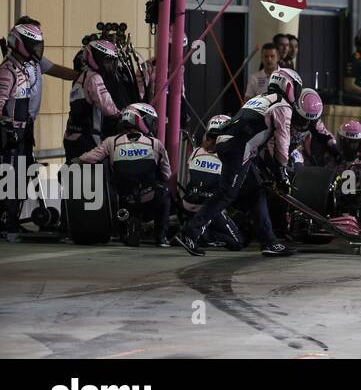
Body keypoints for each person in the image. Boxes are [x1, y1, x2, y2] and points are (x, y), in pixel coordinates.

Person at [176, 68, 305, 257]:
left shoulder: (260, 98)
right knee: (225, 195)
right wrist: (282, 173)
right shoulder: (281, 105)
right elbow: (282, 142)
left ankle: (269, 242)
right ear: (289, 86)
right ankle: (190, 233)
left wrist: (278, 172)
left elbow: (266, 137)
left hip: (230, 144)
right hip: (238, 148)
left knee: (256, 191)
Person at [2, 20, 75, 241]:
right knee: (10, 178)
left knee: (22, 177)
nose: (37, 49)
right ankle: (9, 222)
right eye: (33, 44)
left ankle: (12, 220)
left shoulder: (28, 65)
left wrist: (84, 76)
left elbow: (57, 70)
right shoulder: (9, 70)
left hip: (26, 127)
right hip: (11, 131)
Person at [76, 102, 171, 246]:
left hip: (121, 199)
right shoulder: (155, 144)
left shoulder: (111, 142)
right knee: (164, 192)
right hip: (148, 197)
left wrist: (74, 161)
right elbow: (167, 175)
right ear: (142, 120)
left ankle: (122, 230)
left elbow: (88, 158)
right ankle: (161, 237)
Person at [181, 115, 244, 250]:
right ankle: (203, 237)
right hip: (208, 206)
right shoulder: (229, 155)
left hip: (188, 202)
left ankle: (199, 231)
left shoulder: (196, 151)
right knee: (237, 243)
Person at [62, 38, 121, 160]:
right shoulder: (95, 78)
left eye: (111, 62)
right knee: (94, 177)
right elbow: (109, 108)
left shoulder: (81, 76)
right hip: (89, 139)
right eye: (106, 61)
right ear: (95, 59)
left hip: (72, 136)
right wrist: (123, 115)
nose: (110, 66)